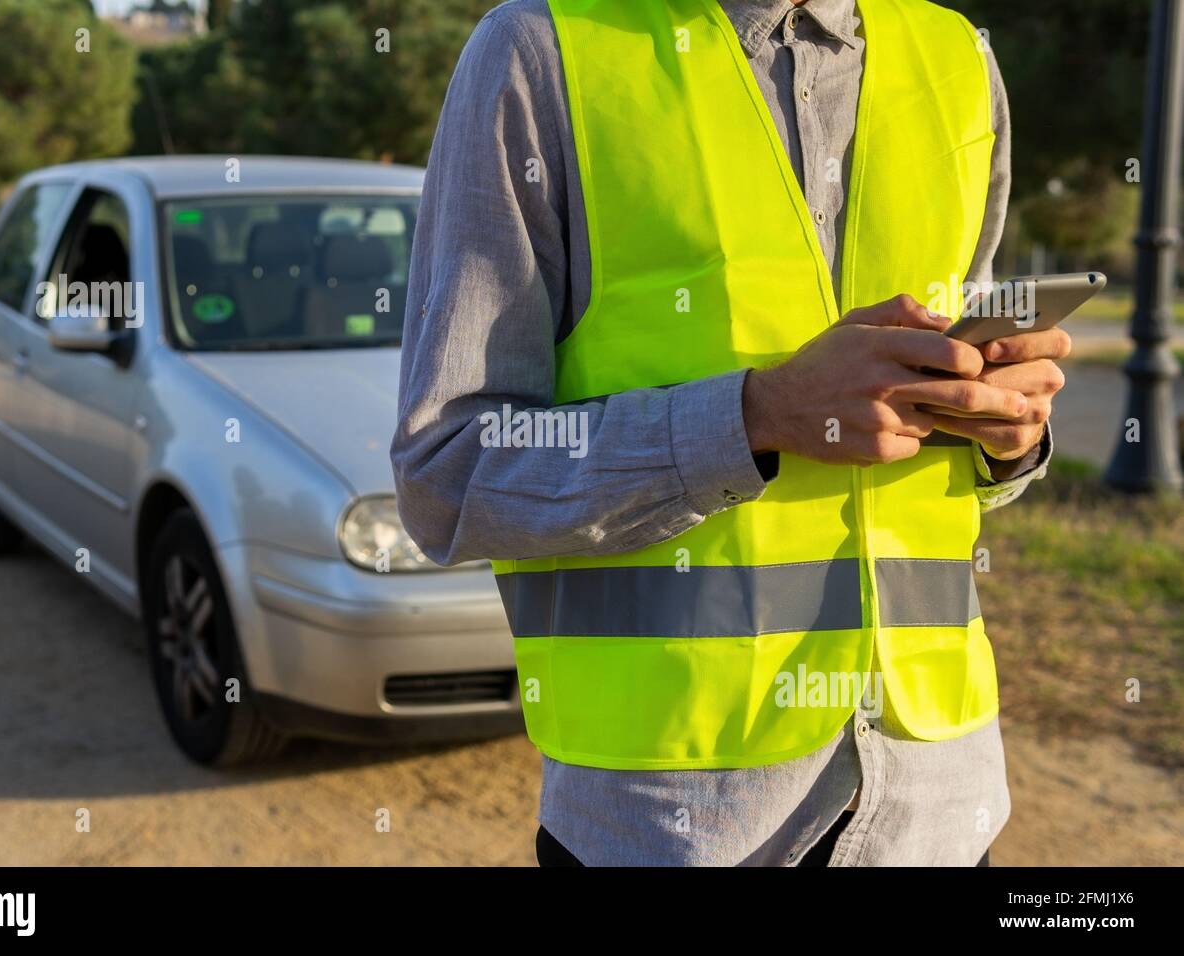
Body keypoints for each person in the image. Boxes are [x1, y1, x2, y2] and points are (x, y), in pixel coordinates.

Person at [392, 0, 1070, 866]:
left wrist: (1005, 432)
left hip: (938, 804)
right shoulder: (544, 46)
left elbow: (952, 427)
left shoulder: (958, 55)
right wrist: (756, 417)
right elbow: (446, 476)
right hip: (673, 819)